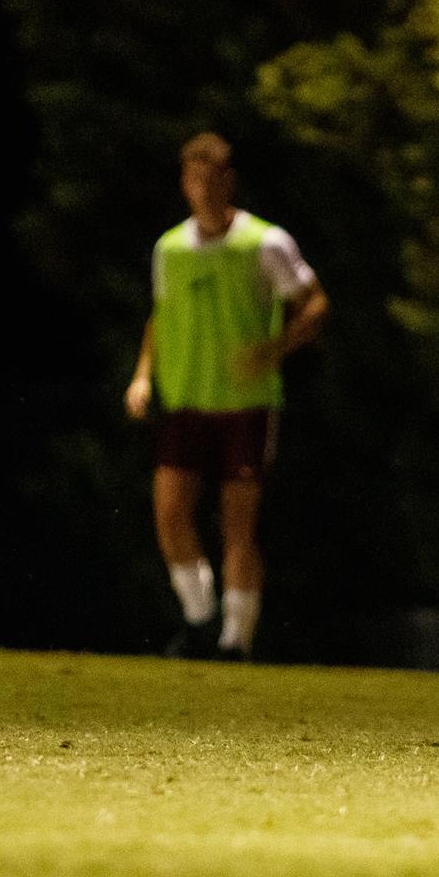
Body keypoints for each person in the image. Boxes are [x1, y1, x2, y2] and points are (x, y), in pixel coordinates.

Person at [124, 132, 329, 660]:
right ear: (184, 184)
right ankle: (199, 621)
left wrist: (275, 347)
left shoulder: (264, 242)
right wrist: (143, 375)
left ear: (229, 181)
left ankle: (235, 641)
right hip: (186, 398)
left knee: (238, 526)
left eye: (213, 179)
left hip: (246, 403)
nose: (203, 190)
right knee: (169, 514)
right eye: (193, 179)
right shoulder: (169, 247)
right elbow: (160, 315)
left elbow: (315, 305)